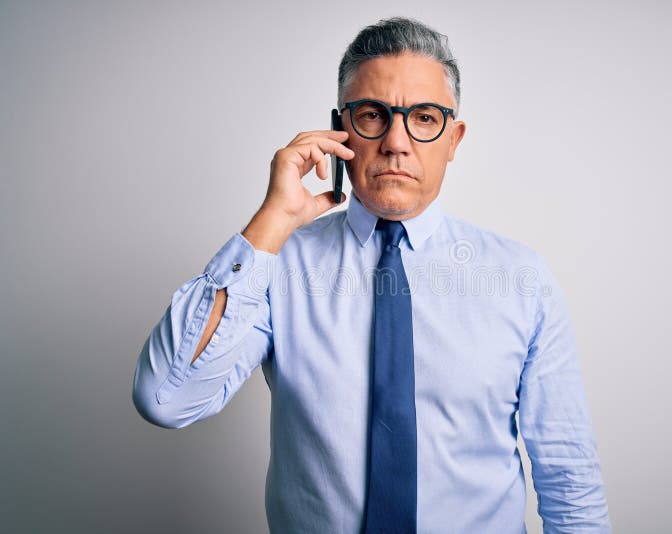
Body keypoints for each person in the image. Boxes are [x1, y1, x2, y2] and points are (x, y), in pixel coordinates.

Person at [132, 17, 611, 534]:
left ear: (454, 138)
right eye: (372, 116)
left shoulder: (521, 279)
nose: (396, 142)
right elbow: (168, 398)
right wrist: (271, 222)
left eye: (424, 118)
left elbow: (568, 478)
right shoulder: (279, 266)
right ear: (340, 129)